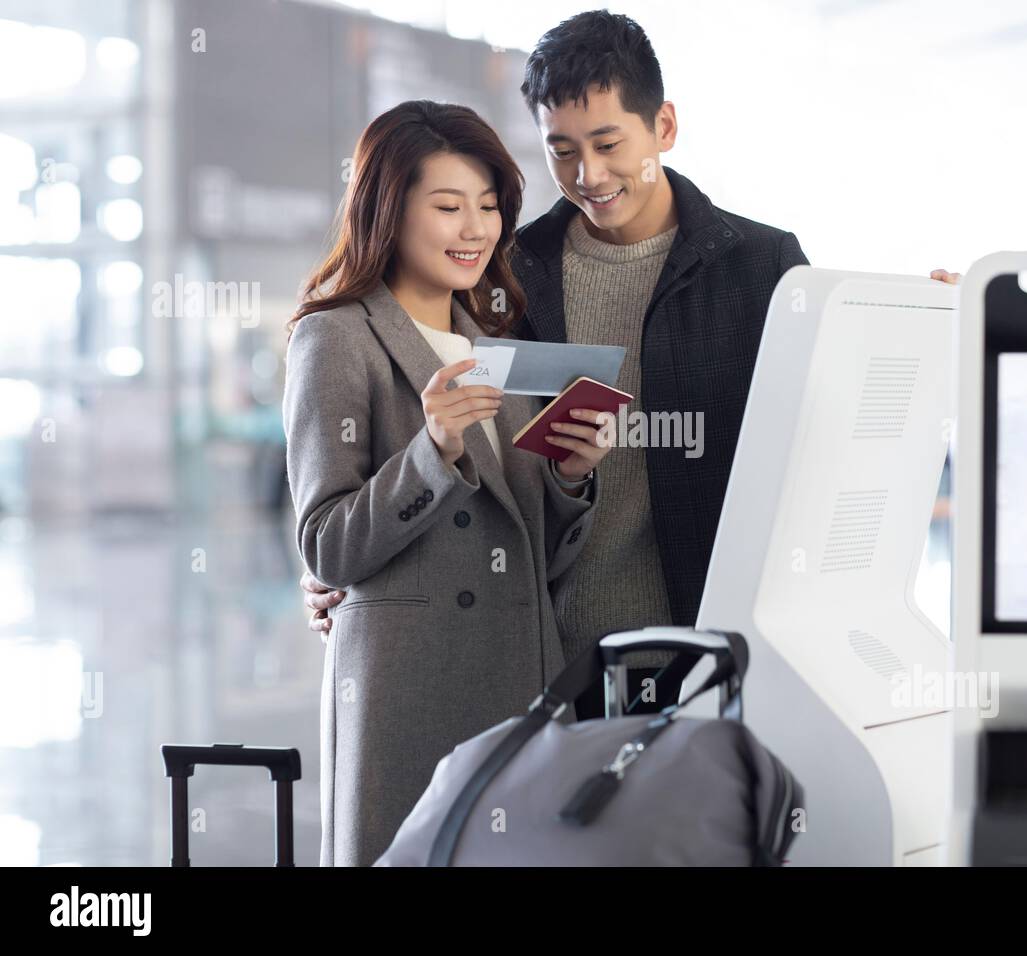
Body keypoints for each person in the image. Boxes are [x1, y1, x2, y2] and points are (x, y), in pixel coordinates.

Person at [301, 11, 959, 720]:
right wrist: (348, 576)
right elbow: (456, 463)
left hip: (714, 651)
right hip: (554, 659)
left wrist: (921, 329)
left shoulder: (760, 268)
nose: (589, 175)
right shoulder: (512, 275)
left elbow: (832, 419)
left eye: (609, 143)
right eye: (561, 151)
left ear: (664, 128)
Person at [284, 100, 611, 866]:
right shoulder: (335, 336)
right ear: (388, 211)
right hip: (406, 695)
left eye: (491, 207)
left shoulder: (499, 349)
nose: (476, 229)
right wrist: (432, 449)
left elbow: (540, 560)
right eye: (448, 206)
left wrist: (568, 477)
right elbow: (327, 544)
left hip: (516, 683)